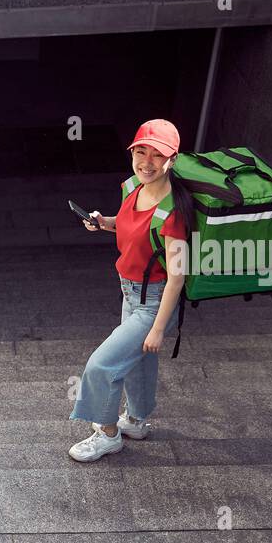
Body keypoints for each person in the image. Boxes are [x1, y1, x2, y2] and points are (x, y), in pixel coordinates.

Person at [66, 118, 196, 462]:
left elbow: (177, 277)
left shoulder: (174, 214)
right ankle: (136, 421)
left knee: (101, 366)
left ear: (173, 160)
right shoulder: (131, 188)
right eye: (141, 152)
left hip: (154, 301)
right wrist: (104, 222)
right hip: (130, 292)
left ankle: (108, 434)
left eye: (157, 155)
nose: (146, 162)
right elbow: (133, 229)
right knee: (139, 364)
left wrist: (157, 328)